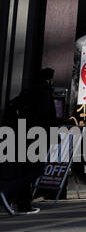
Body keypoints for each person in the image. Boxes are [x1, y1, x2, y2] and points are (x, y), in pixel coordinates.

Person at [0, 70, 58, 214]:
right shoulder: (44, 94)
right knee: (35, 169)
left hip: (22, 135)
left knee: (25, 170)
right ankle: (7, 191)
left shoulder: (29, 91)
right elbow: (47, 118)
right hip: (37, 137)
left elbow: (12, 106)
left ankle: (23, 205)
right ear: (48, 80)